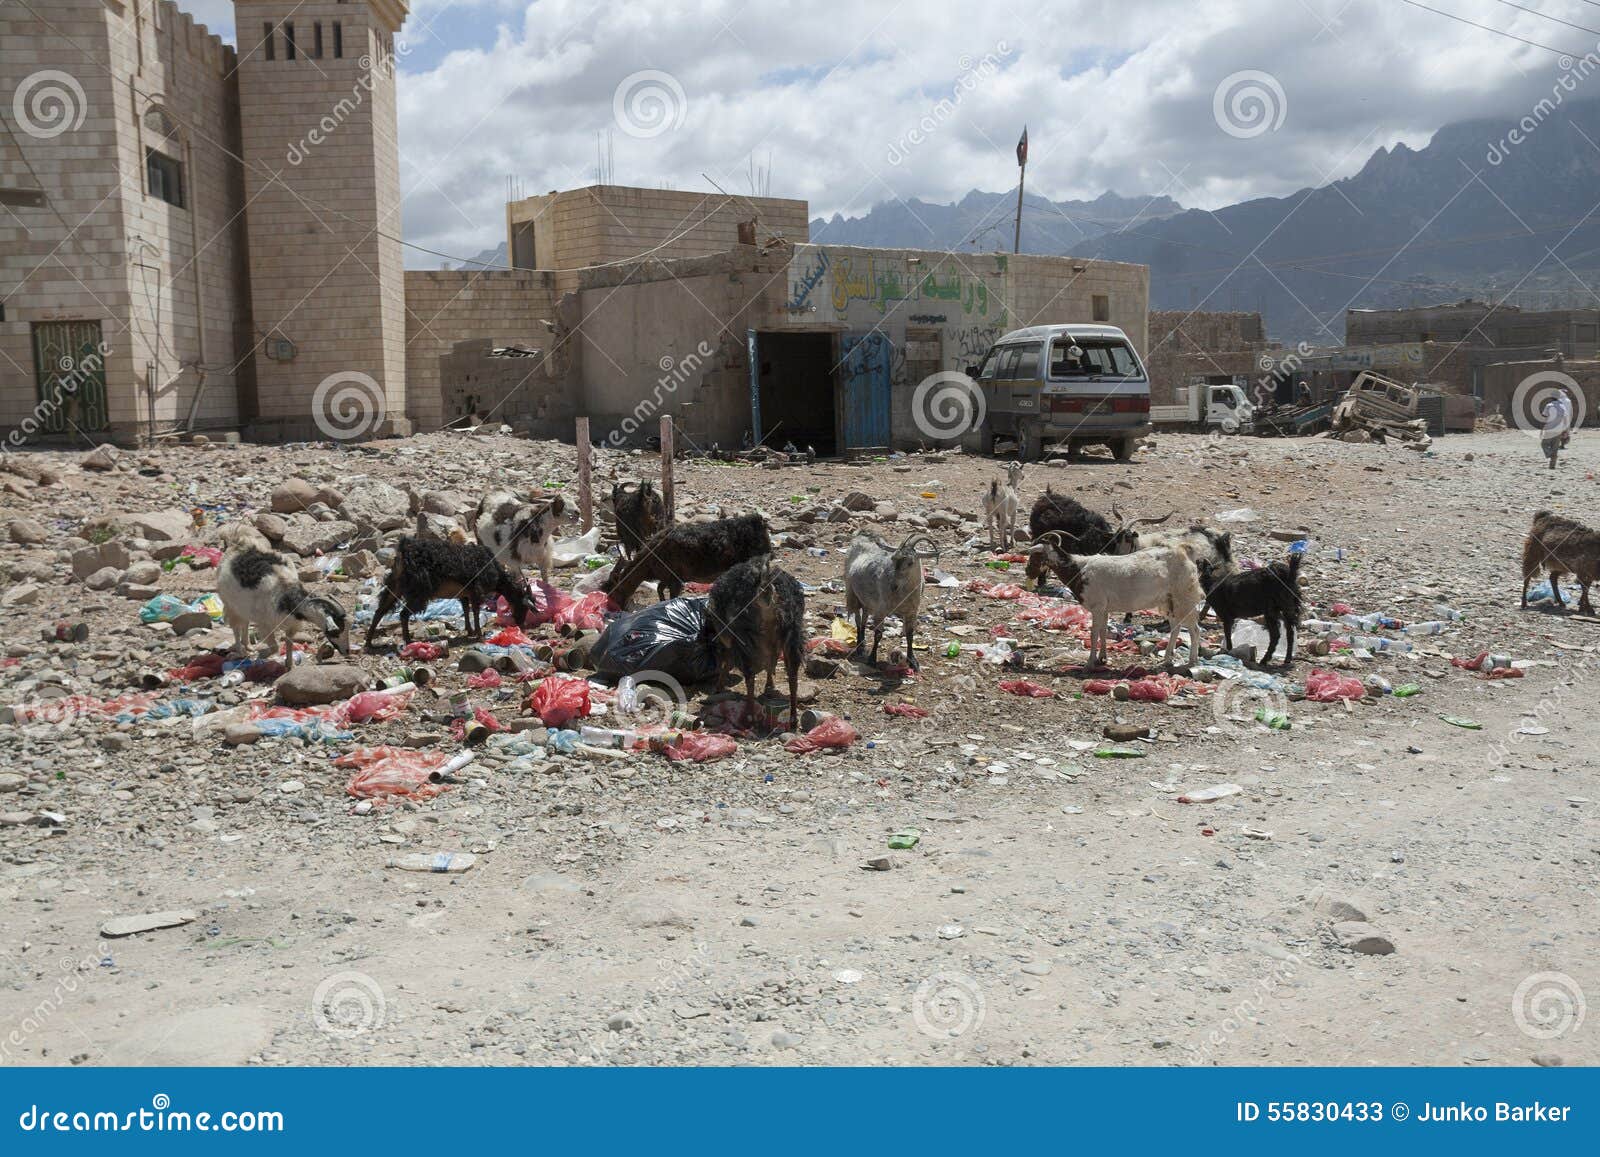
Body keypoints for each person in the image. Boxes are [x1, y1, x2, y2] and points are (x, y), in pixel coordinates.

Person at [1540, 391, 1574, 470]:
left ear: (1551, 397)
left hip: (1550, 428)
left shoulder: (1549, 405)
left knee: (1544, 444)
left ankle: (1550, 454)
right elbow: (1566, 418)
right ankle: (1552, 466)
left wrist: (1543, 427)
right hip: (1559, 429)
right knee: (1555, 447)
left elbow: (1545, 416)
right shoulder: (1563, 406)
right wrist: (1565, 429)